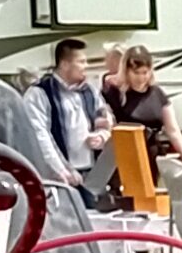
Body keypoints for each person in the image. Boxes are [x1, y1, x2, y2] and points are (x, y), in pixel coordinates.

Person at [25, 38, 109, 195]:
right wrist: (60, 170)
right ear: (64, 64)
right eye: (81, 62)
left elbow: (104, 119)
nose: (86, 66)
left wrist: (101, 136)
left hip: (90, 175)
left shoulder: (90, 91)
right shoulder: (40, 93)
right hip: (59, 177)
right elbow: (40, 135)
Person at [105, 46, 173, 217]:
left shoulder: (157, 93)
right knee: (125, 202)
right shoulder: (114, 93)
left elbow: (173, 130)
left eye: (145, 72)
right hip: (123, 154)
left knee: (148, 203)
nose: (142, 77)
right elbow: (106, 121)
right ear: (126, 71)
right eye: (137, 73)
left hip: (150, 152)